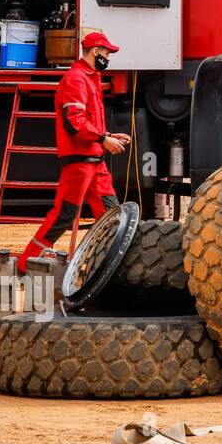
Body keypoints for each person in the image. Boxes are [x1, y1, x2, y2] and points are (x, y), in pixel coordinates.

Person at [18, 32, 130, 269]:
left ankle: (111, 267)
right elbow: (74, 122)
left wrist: (107, 137)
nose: (108, 58)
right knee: (64, 216)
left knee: (111, 214)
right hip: (79, 163)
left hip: (94, 160)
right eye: (107, 53)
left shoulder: (90, 78)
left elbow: (86, 121)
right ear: (95, 51)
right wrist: (103, 139)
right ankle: (25, 264)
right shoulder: (77, 79)